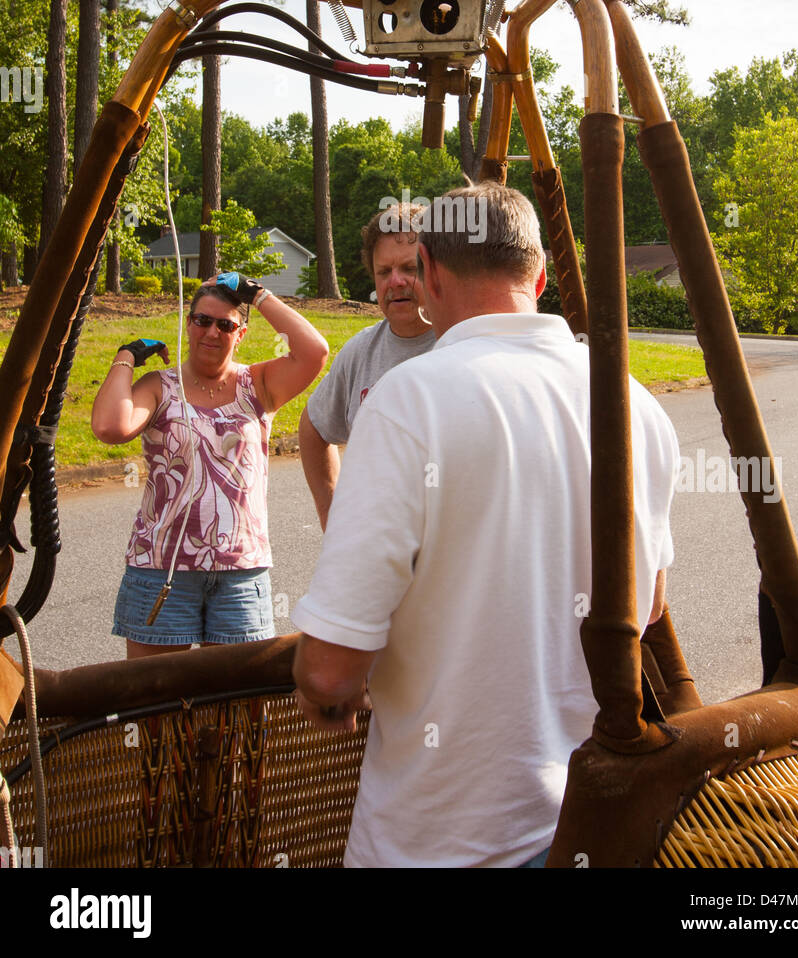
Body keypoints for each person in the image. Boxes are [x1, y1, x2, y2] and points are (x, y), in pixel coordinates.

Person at [291, 183, 680, 868]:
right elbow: (645, 607)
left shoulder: (408, 402)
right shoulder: (637, 406)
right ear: (538, 276)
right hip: (586, 827)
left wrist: (330, 690)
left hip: (436, 838)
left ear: (431, 273)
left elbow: (328, 669)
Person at [92, 274, 328, 659]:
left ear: (241, 333)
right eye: (202, 320)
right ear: (189, 323)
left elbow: (314, 351)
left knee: (240, 709)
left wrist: (257, 293)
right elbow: (110, 426)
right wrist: (127, 358)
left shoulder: (259, 384)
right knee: (157, 704)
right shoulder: (159, 386)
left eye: (226, 324)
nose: (212, 333)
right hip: (160, 568)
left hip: (240, 570)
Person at [298, 203, 437, 528]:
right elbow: (313, 425)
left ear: (435, 269)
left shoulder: (461, 343)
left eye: (409, 268)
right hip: (376, 553)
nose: (396, 282)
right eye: (384, 272)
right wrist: (329, 513)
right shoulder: (360, 351)